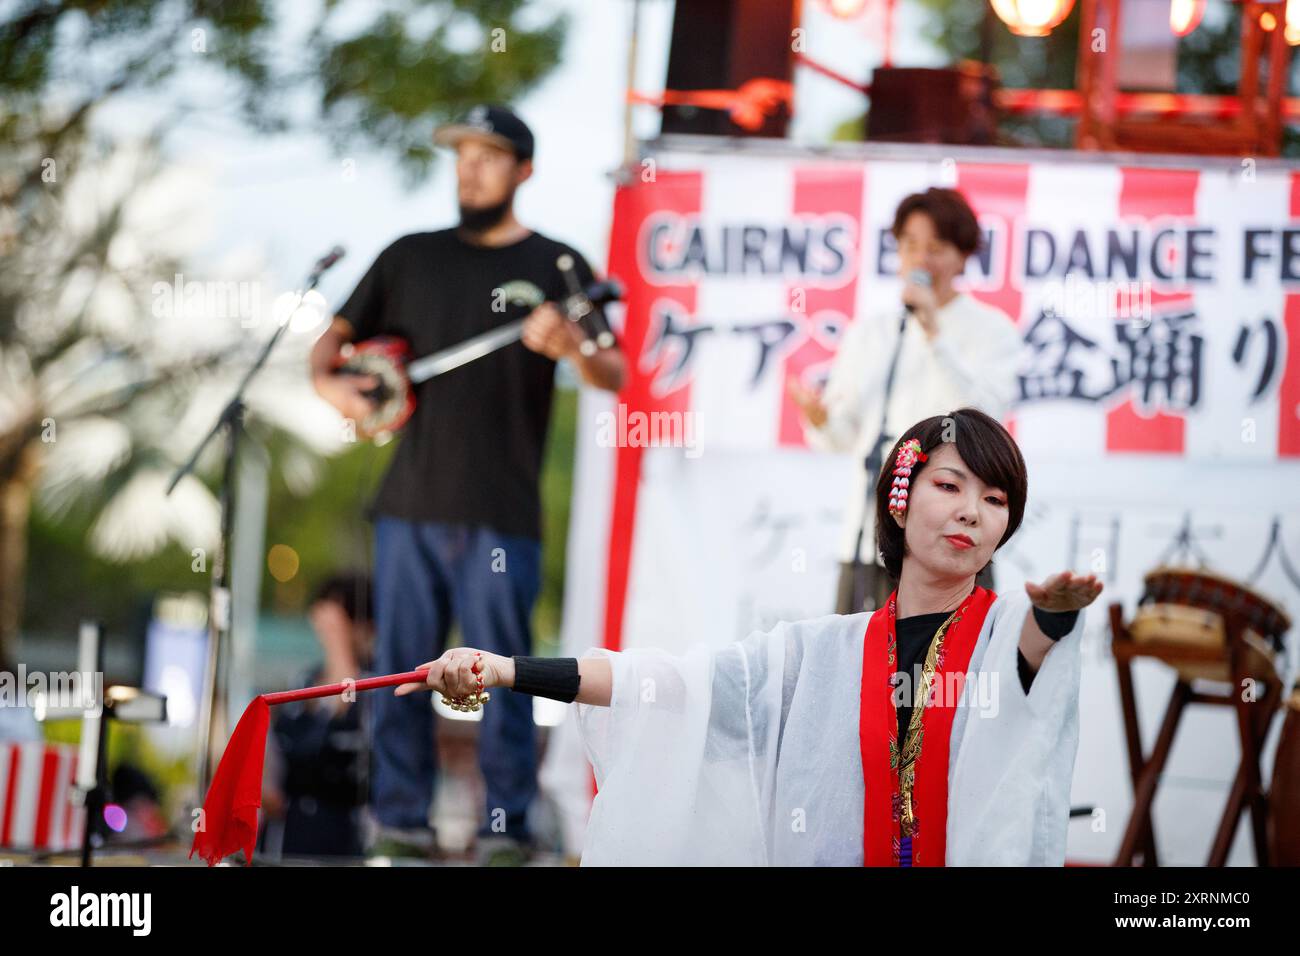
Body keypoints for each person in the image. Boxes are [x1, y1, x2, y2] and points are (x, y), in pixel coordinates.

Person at [397, 408, 1103, 866]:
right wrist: (504, 668)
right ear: (901, 495)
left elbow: (1034, 654)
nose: (972, 512)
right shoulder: (821, 653)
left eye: (996, 499)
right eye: (951, 486)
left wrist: (1057, 616)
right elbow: (668, 685)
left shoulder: (1003, 632)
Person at [309, 105, 626, 864]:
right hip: (409, 507)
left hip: (502, 514)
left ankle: (507, 831)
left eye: (489, 156)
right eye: (462, 156)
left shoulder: (558, 264)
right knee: (403, 675)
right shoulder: (408, 256)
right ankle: (400, 828)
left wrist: (574, 348)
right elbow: (334, 339)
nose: (470, 169)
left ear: (524, 170)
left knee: (502, 677)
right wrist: (330, 384)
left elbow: (613, 370)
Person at [788, 187, 1023, 615]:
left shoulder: (992, 330)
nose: (921, 258)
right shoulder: (873, 331)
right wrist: (821, 420)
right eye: (910, 244)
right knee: (859, 667)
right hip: (870, 538)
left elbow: (985, 417)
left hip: (953, 537)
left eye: (935, 247)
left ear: (962, 255)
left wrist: (934, 331)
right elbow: (844, 439)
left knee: (949, 673)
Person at [259, 573, 375, 860]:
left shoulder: (377, 684)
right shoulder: (303, 682)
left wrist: (340, 647)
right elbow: (274, 749)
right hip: (287, 836)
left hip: (344, 839)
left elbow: (347, 715)